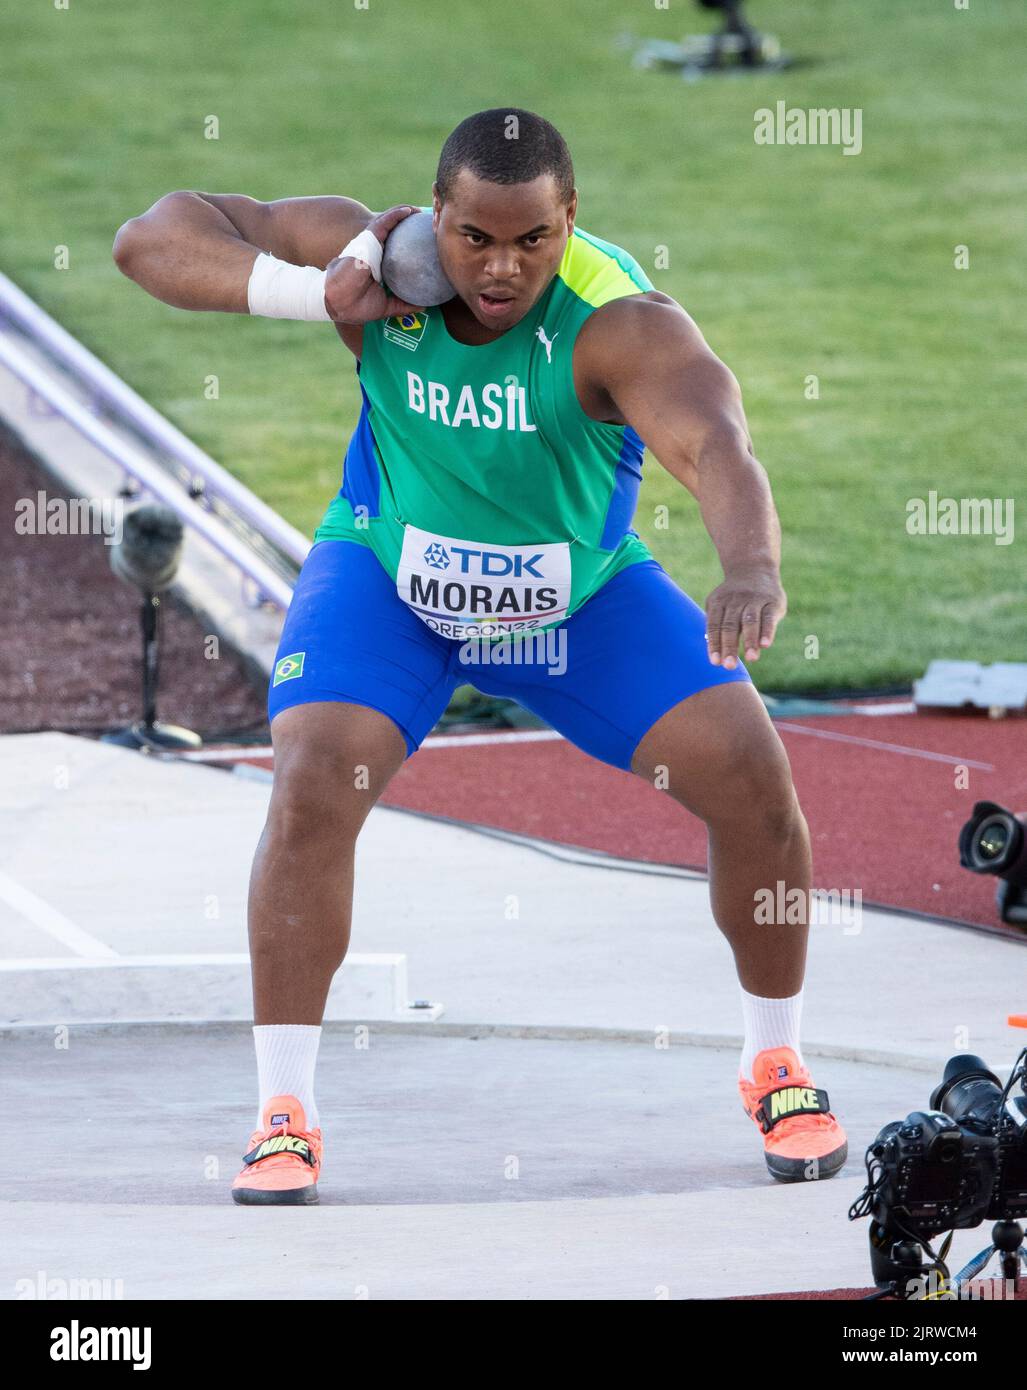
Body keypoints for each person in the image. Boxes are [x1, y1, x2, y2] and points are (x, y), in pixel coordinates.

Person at [113, 107, 846, 1204]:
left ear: (570, 220)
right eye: (475, 239)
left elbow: (715, 441)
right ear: (435, 216)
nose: (502, 269)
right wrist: (308, 291)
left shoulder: (620, 323)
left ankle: (774, 1058)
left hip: (577, 606)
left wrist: (749, 568)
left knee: (754, 780)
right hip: (390, 582)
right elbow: (150, 238)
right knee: (312, 776)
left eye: (533, 241)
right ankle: (284, 1110)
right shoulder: (371, 261)